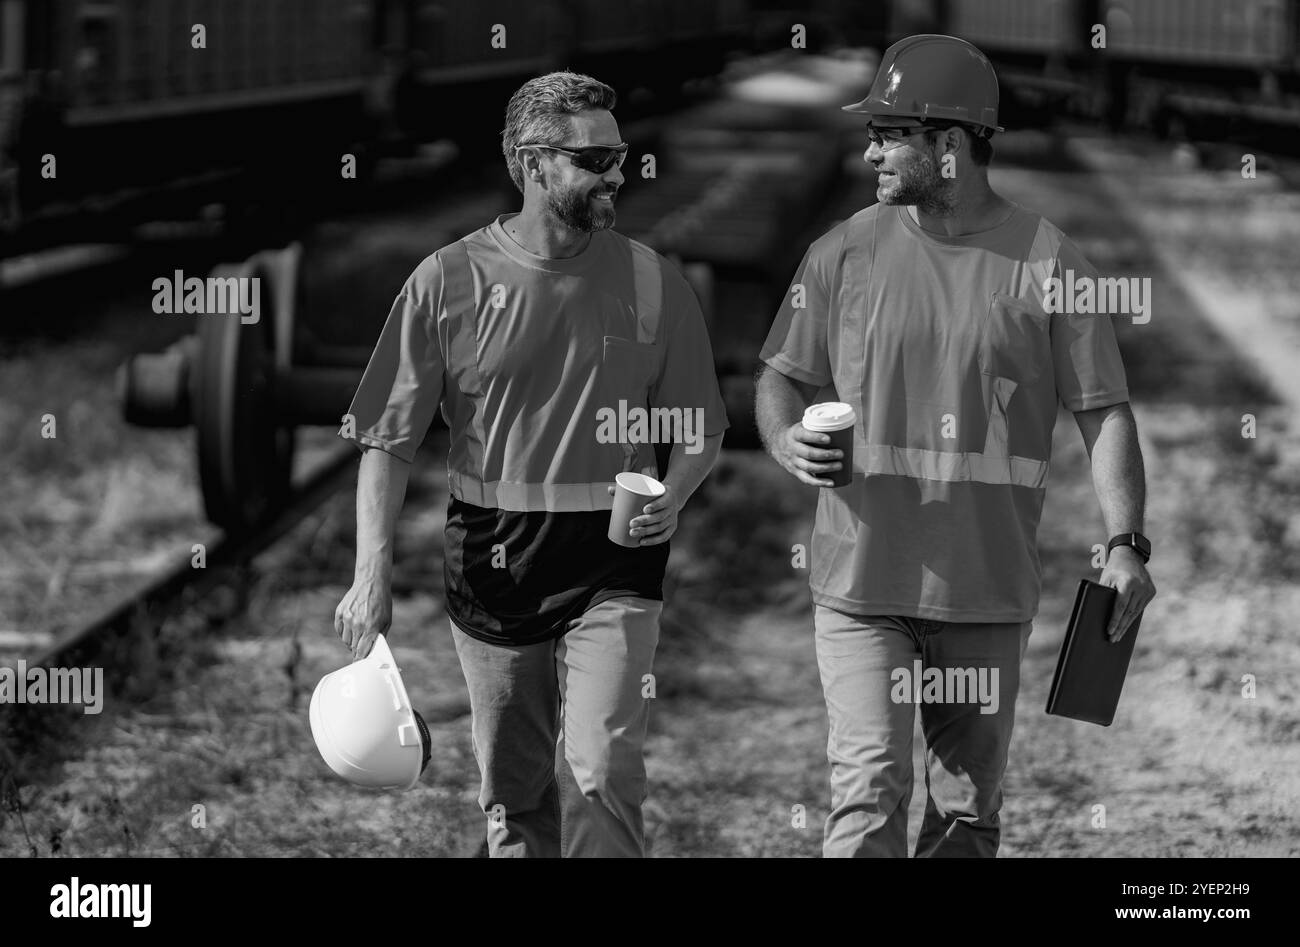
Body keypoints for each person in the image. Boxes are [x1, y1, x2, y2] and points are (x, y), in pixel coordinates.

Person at [754, 34, 1156, 857]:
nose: (869, 150)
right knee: (866, 793)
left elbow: (1104, 412)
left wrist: (1125, 544)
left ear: (948, 147)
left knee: (965, 818)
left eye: (889, 131)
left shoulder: (1050, 264)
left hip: (983, 590)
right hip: (861, 587)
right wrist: (784, 438)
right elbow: (779, 378)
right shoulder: (843, 252)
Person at [334, 71, 728, 857]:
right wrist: (370, 571)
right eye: (595, 158)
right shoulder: (446, 282)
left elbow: (699, 428)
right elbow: (388, 438)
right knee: (515, 796)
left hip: (617, 559)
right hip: (495, 558)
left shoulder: (654, 282)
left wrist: (676, 492)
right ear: (531, 162)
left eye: (621, 154)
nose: (617, 172)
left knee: (602, 770)